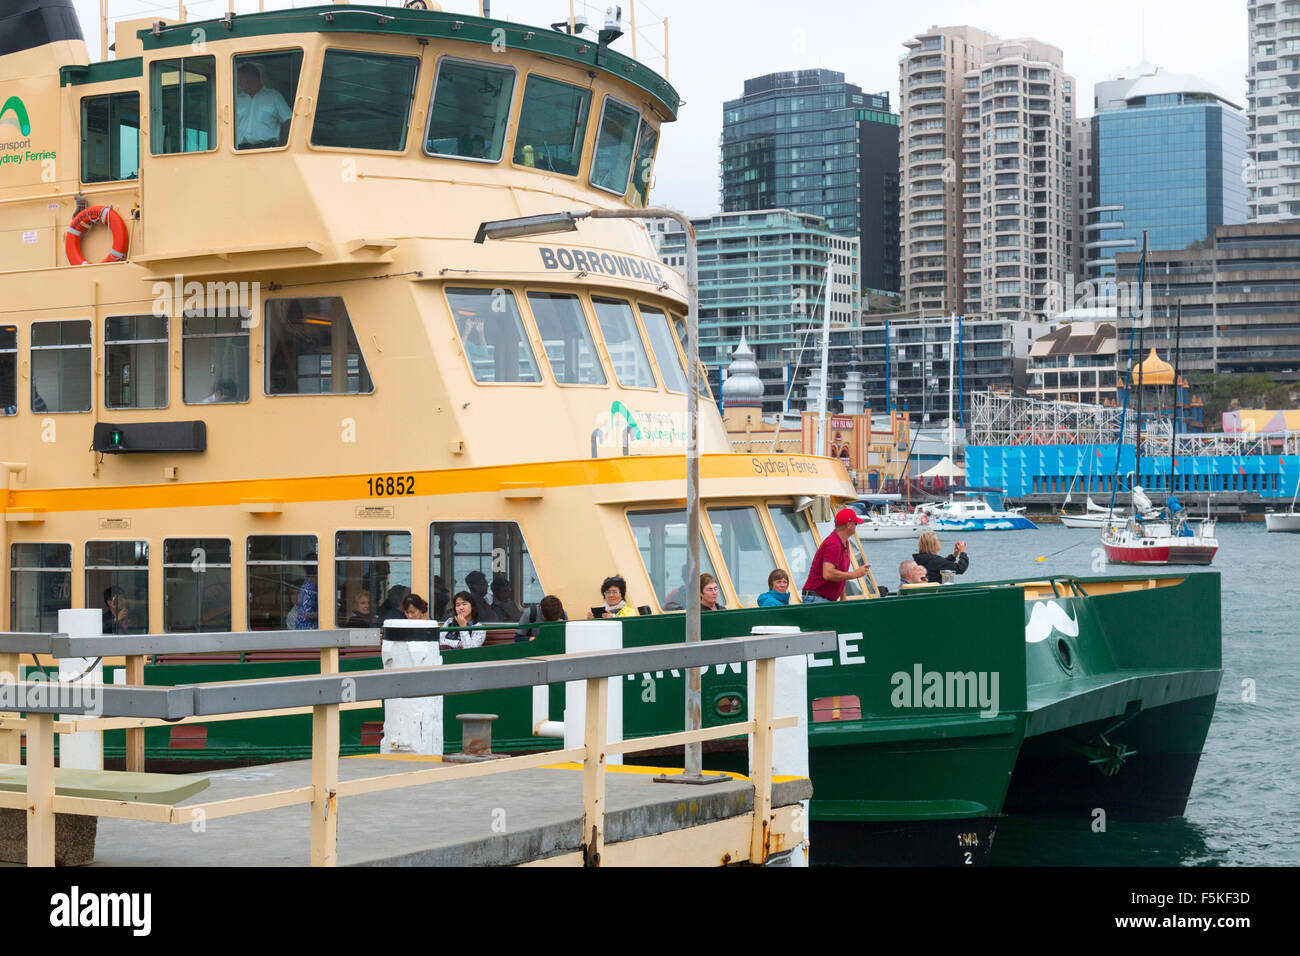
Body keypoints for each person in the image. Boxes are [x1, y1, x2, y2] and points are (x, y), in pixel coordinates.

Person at [801, 507, 871, 603]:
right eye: (855, 523)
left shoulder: (844, 542)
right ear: (849, 525)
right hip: (817, 598)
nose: (856, 526)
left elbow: (839, 574)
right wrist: (855, 574)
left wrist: (843, 597)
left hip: (824, 598)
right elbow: (828, 573)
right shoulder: (833, 543)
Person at [235, 62, 292, 149]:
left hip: (267, 149)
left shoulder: (274, 97)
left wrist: (284, 144)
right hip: (240, 150)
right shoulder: (237, 100)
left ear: (255, 78)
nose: (240, 83)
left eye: (242, 79)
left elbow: (289, 122)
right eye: (239, 80)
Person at [293, 556, 319, 629]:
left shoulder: (310, 586)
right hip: (307, 629)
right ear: (315, 568)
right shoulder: (309, 588)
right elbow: (306, 614)